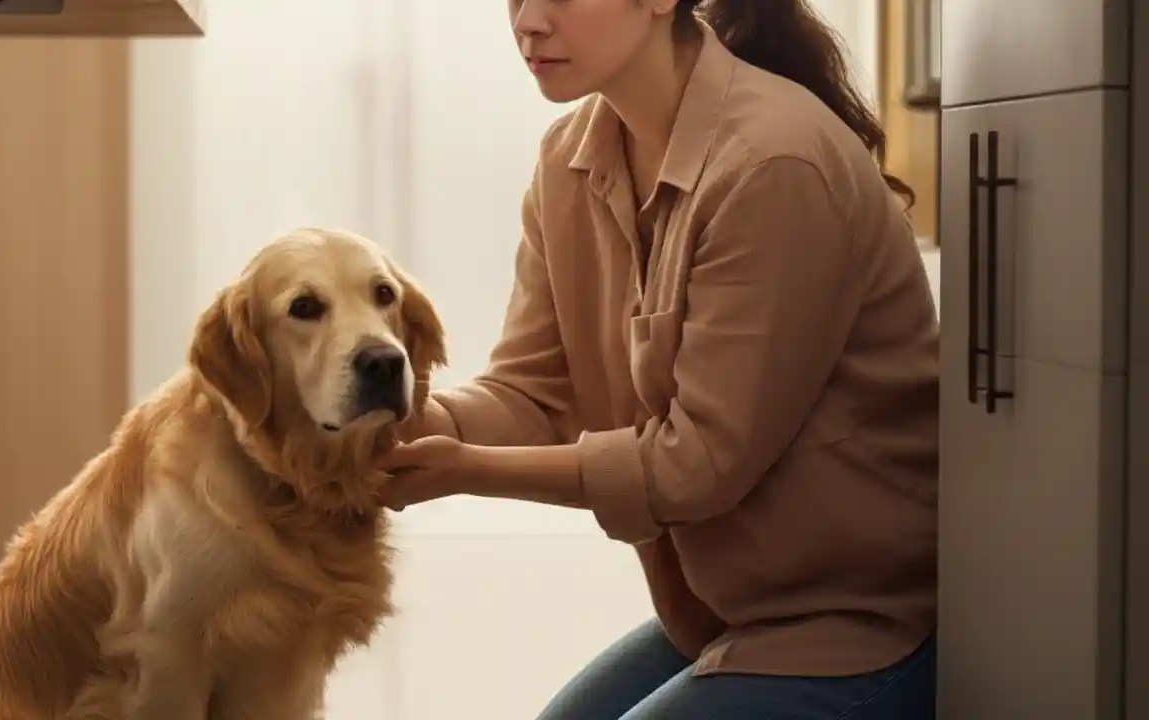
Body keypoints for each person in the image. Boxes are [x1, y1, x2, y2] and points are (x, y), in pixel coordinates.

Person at [378, 0, 939, 717]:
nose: (528, 20)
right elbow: (533, 392)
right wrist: (406, 422)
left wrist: (467, 472)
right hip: (718, 616)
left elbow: (697, 463)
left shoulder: (774, 164)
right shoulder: (567, 162)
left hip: (855, 628)